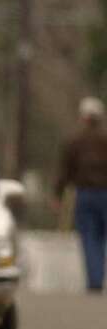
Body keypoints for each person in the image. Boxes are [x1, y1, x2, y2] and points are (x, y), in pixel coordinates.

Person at [54, 96, 107, 293]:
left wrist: (57, 194)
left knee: (89, 238)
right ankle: (98, 276)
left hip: (85, 195)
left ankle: (95, 281)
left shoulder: (74, 141)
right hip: (105, 195)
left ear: (84, 117)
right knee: (102, 238)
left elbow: (64, 171)